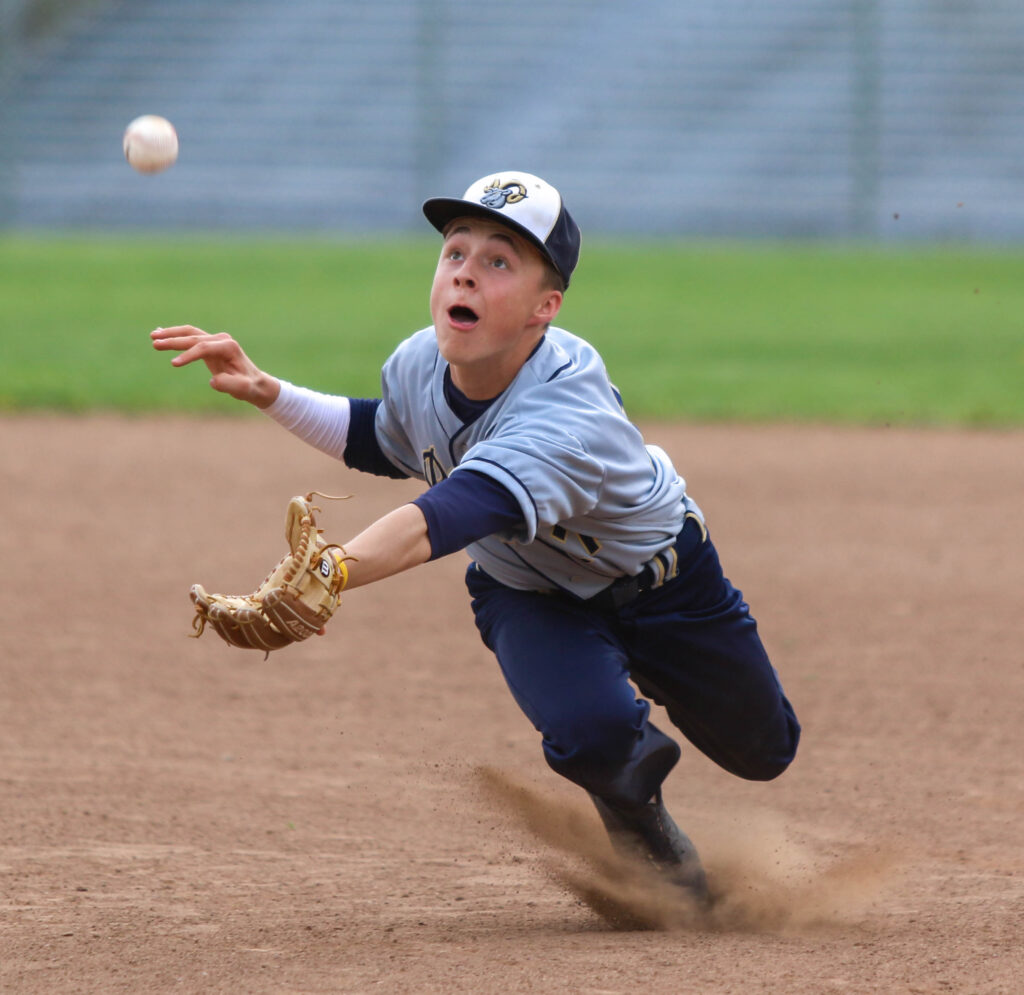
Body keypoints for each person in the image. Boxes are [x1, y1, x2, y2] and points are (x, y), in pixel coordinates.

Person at [151, 171, 800, 904]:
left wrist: (328, 572)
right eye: (455, 250)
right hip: (530, 594)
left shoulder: (565, 414)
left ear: (543, 308)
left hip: (667, 584)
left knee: (765, 751)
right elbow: (386, 439)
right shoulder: (419, 364)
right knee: (594, 733)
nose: (464, 268)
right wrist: (271, 390)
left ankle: (646, 678)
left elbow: (446, 515)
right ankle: (637, 814)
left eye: (499, 261)